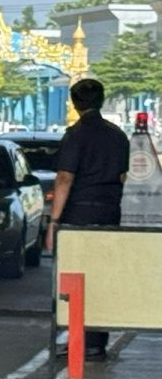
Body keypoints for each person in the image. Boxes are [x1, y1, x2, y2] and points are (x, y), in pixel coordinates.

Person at [44, 78, 130, 361]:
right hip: (109, 213)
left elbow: (65, 178)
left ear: (74, 103)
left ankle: (79, 340)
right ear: (102, 100)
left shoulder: (76, 135)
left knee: (75, 277)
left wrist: (53, 222)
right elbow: (121, 176)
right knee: (100, 276)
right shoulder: (118, 136)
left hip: (79, 215)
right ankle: (95, 343)